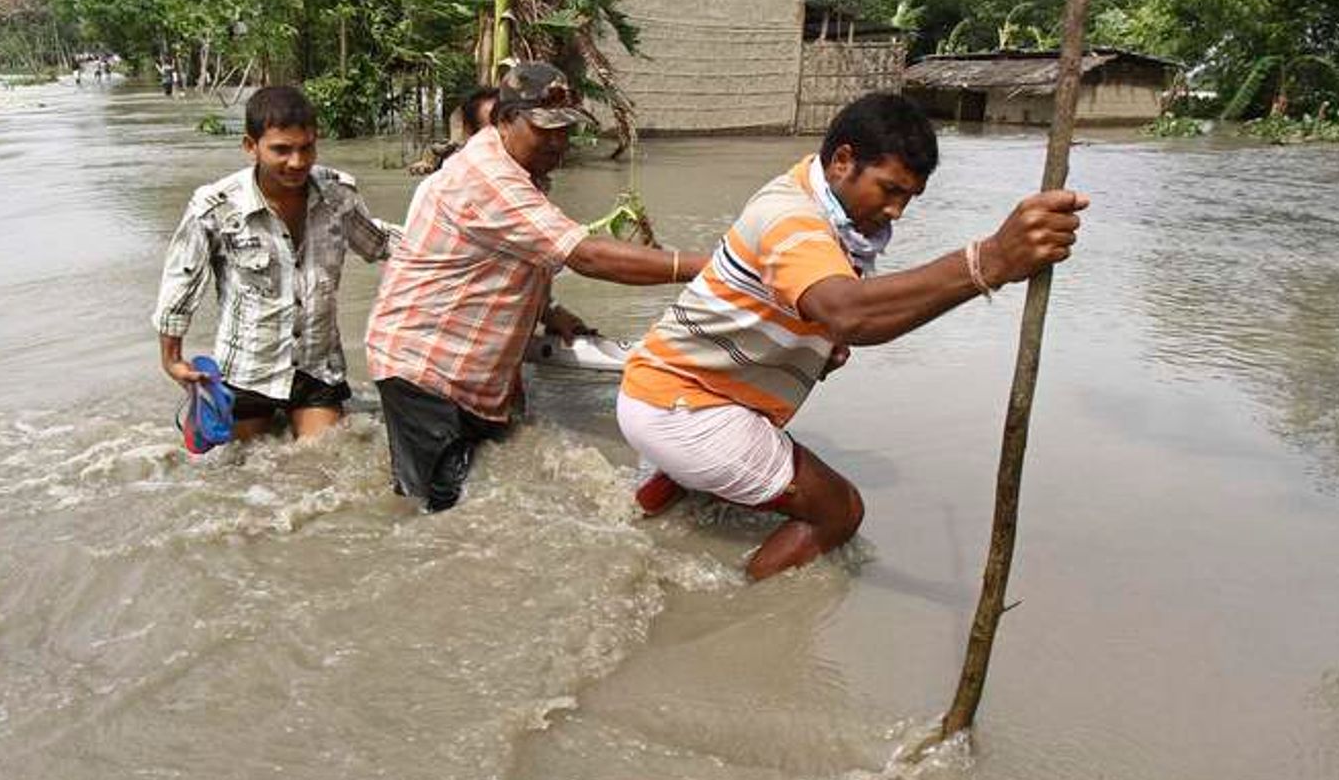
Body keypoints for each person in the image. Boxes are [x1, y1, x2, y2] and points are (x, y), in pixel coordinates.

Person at [616, 92, 1089, 580]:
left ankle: (660, 493)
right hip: (682, 408)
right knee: (839, 512)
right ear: (842, 160)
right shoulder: (790, 217)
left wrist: (818, 343)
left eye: (909, 198)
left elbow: (833, 310)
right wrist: (988, 261)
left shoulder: (817, 201)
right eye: (890, 190)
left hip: (661, 386)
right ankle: (739, 601)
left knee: (758, 469)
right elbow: (849, 314)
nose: (897, 211)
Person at [366, 62, 708, 511]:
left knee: (481, 492)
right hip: (426, 365)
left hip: (473, 370)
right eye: (545, 129)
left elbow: (508, 255)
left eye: (565, 130)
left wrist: (549, 310)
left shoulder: (519, 168)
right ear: (506, 120)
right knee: (436, 511)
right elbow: (585, 255)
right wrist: (711, 266)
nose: (558, 142)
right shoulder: (488, 177)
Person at [153, 85, 394, 441]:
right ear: (251, 146)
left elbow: (380, 243)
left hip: (317, 368)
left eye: (306, 147)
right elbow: (182, 279)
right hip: (248, 370)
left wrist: (457, 247)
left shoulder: (337, 195)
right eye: (281, 150)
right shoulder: (217, 207)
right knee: (242, 462)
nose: (297, 162)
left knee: (323, 456)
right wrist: (172, 359)